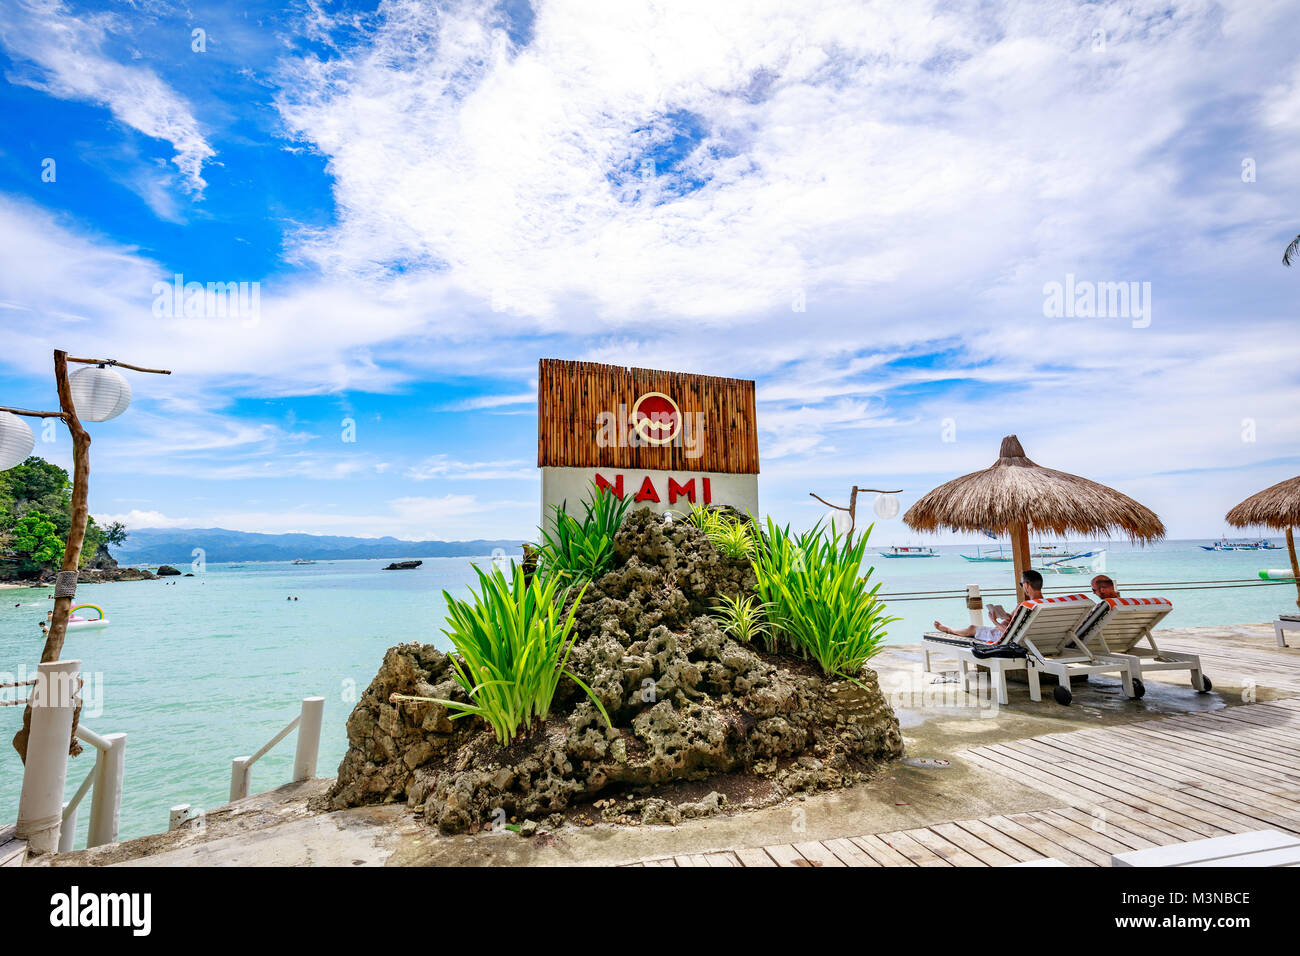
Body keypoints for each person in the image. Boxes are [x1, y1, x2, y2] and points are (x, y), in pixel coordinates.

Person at [933, 570, 1045, 643]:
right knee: (1006, 621)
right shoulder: (1046, 604)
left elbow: (1009, 633)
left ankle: (949, 630)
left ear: (1026, 585)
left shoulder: (1024, 606)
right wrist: (1007, 616)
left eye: (1021, 584)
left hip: (1016, 640)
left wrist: (994, 621)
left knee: (972, 628)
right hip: (1038, 639)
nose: (1022, 587)